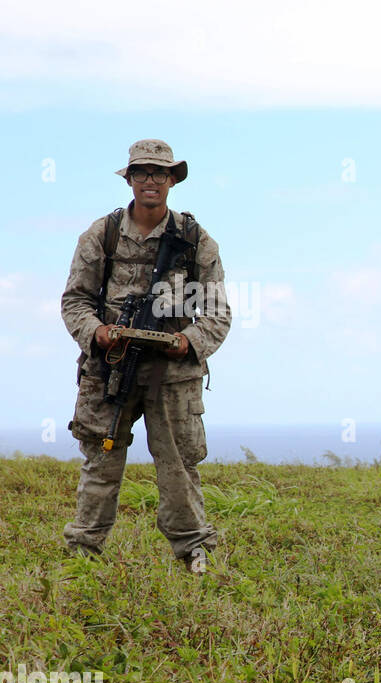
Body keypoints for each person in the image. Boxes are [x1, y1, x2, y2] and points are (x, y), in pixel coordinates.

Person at [61, 139, 231, 572]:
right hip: (110, 368)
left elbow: (216, 312)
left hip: (172, 375)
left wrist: (186, 342)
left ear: (172, 180)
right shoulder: (102, 234)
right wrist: (97, 333)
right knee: (101, 460)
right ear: (130, 178)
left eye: (159, 173)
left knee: (178, 466)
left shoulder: (195, 240)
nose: (150, 181)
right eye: (141, 173)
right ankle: (83, 554)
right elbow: (76, 300)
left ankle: (194, 550)